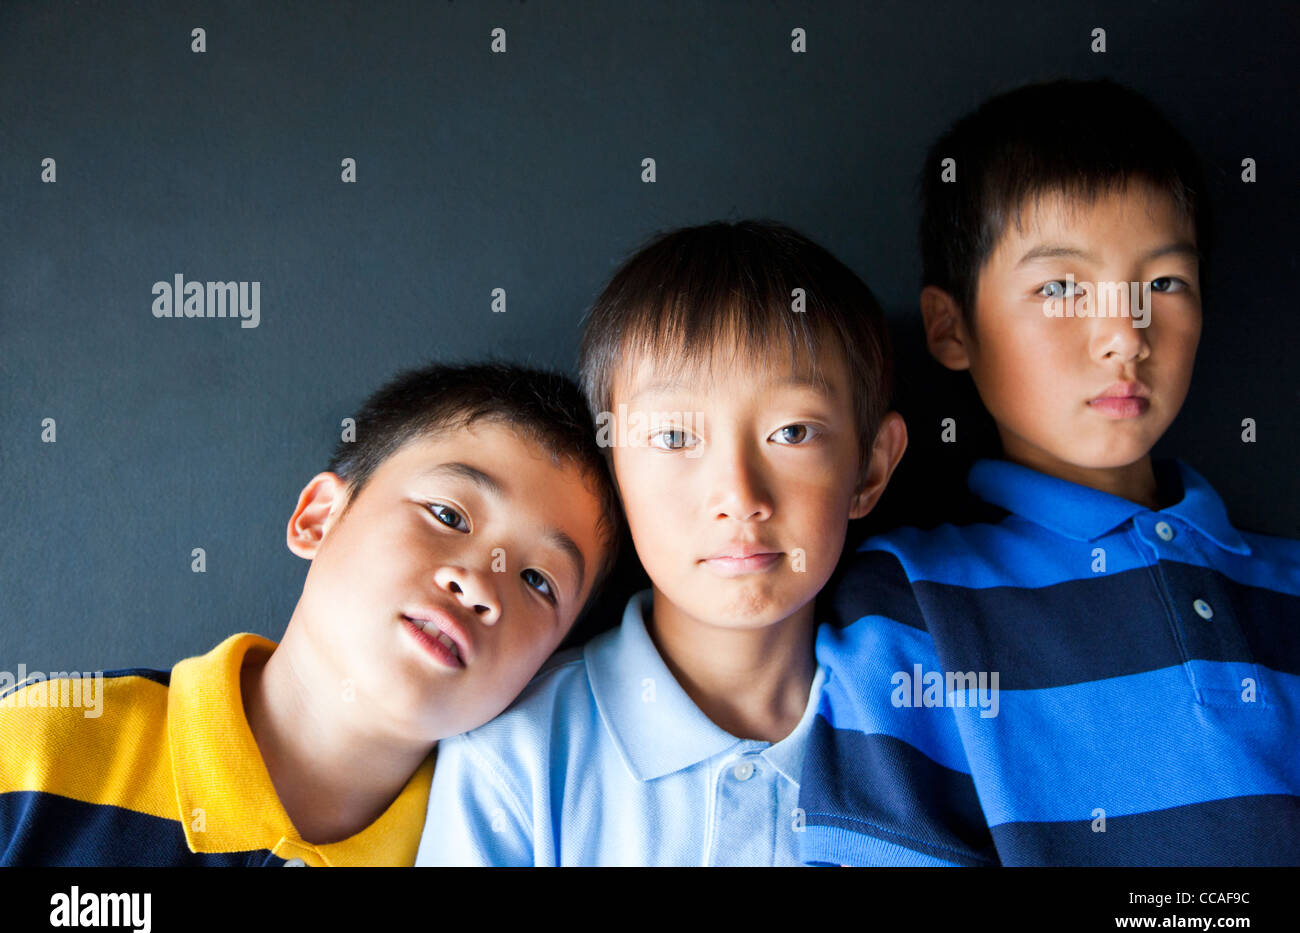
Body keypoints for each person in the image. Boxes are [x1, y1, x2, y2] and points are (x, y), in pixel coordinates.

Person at [798, 78, 1300, 866]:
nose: (1124, 336)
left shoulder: (1289, 584)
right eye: (1062, 287)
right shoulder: (909, 603)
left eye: (1163, 283)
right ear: (950, 326)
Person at [417, 221, 906, 865]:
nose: (737, 495)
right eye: (675, 438)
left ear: (869, 469)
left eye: (791, 432)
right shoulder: (517, 758)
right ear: (612, 471)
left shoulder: (928, 725)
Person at [0, 362, 619, 866]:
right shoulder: (43, 745)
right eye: (448, 515)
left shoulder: (483, 849)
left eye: (537, 581)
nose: (479, 584)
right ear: (319, 518)